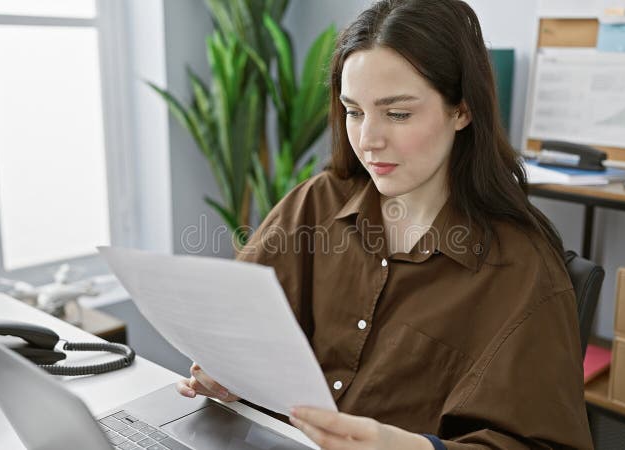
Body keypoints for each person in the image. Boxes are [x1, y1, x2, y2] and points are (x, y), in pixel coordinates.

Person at [177, 0, 593, 448]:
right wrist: (227, 372)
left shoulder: (522, 271)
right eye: (354, 112)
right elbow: (234, 322)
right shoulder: (319, 202)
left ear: (462, 111)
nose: (368, 140)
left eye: (397, 114)